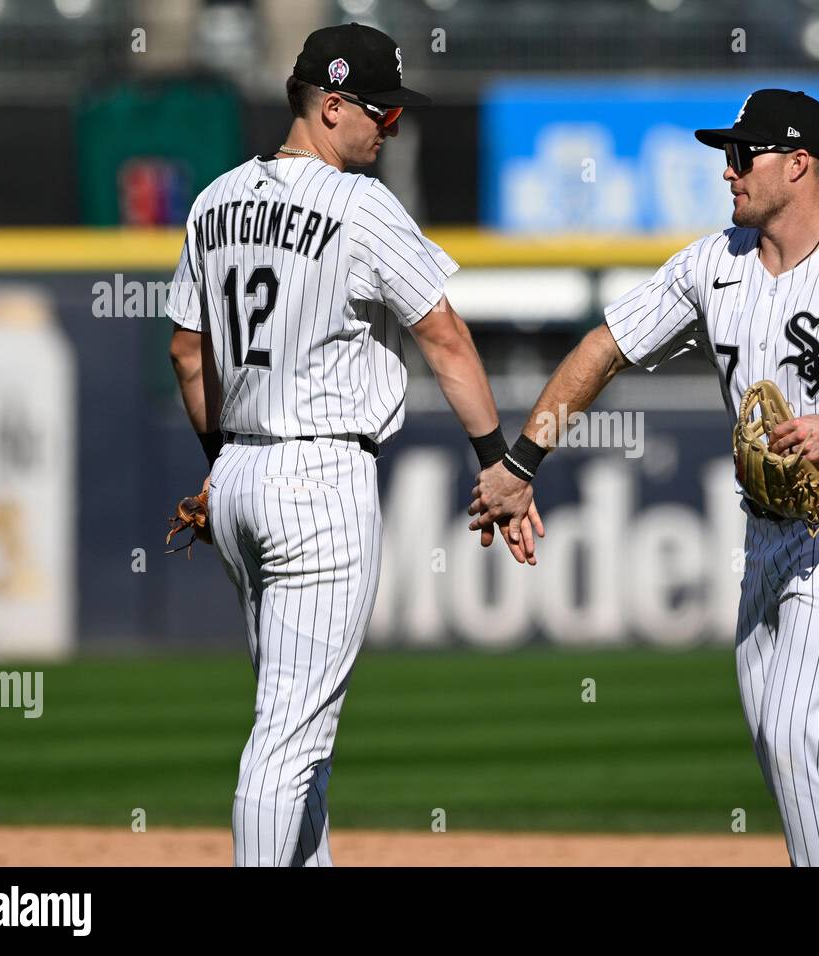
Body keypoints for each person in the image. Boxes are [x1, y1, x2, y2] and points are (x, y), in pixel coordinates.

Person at [469, 89, 819, 866]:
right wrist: (519, 462)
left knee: (798, 732)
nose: (728, 171)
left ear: (798, 164)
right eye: (726, 155)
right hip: (764, 529)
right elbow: (603, 347)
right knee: (796, 751)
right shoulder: (714, 266)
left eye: (743, 155)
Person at [167, 23, 540, 866]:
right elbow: (445, 339)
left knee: (298, 725)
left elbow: (187, 354)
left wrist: (218, 465)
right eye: (383, 112)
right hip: (320, 475)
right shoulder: (361, 206)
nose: (393, 128)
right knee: (289, 738)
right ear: (331, 107)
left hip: (237, 475)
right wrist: (500, 467)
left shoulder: (214, 198)